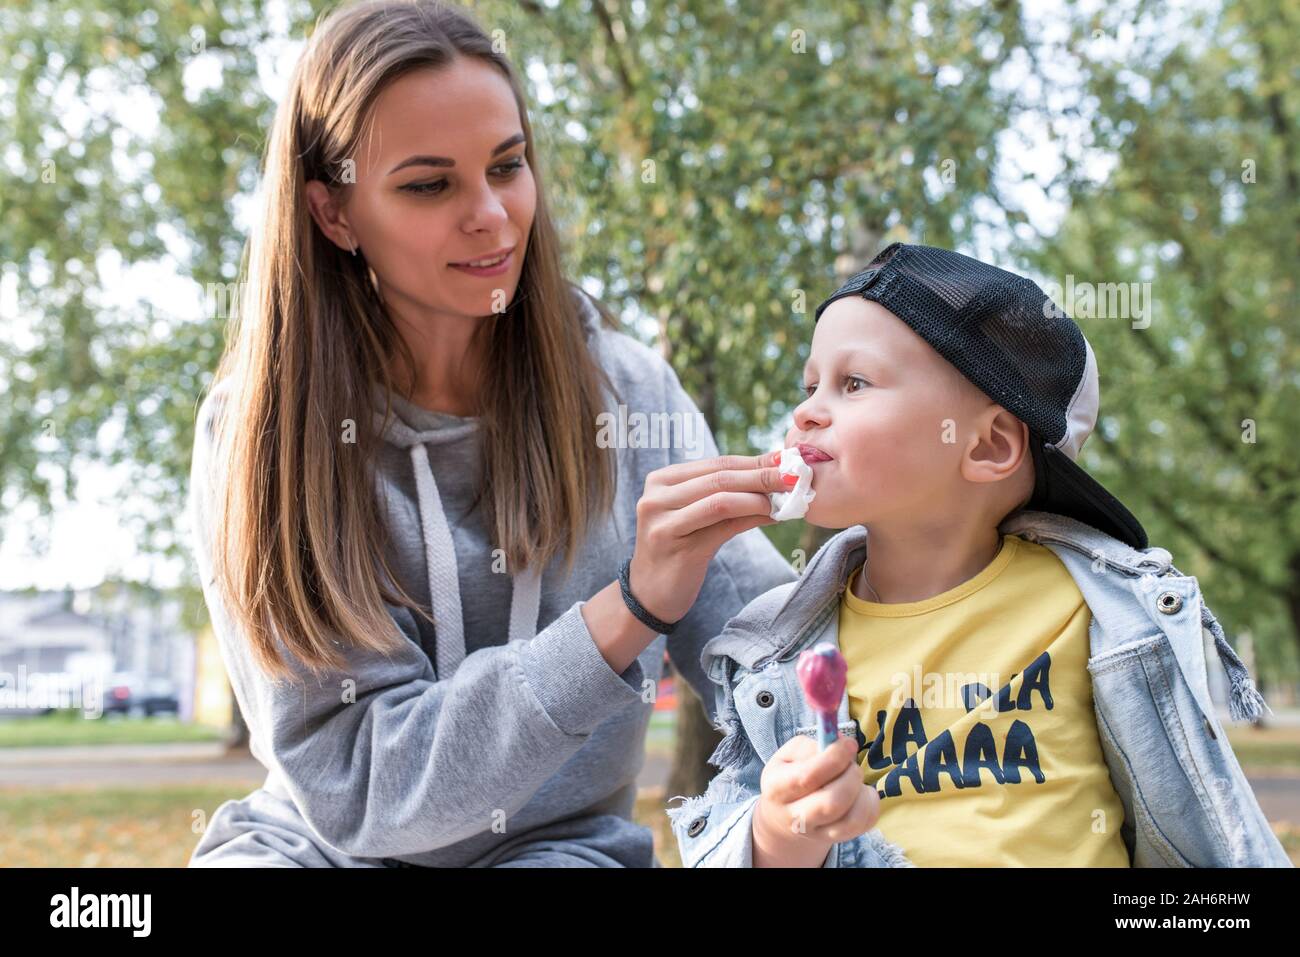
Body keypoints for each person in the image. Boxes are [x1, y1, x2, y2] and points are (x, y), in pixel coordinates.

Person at [187, 0, 794, 867]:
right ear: (333, 214)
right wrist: (626, 614)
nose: (493, 216)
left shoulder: (625, 392)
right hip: (312, 849)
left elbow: (770, 650)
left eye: (507, 166)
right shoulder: (261, 432)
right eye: (429, 184)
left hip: (558, 850)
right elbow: (361, 785)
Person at [667, 243, 1291, 867]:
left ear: (989, 445)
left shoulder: (1098, 608)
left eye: (852, 383)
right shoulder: (779, 648)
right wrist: (777, 837)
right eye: (810, 385)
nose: (804, 412)